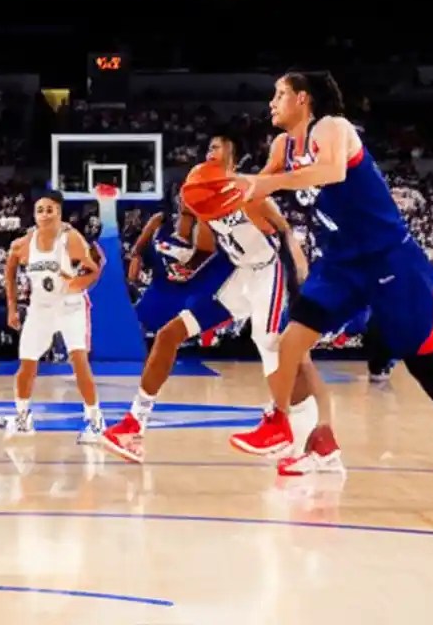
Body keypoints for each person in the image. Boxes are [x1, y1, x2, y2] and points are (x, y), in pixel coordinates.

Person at [235, 71, 433, 494]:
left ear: (303, 98)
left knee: (417, 357)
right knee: (290, 340)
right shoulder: (282, 147)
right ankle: (278, 422)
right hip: (339, 263)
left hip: (389, 258)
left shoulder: (334, 128)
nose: (272, 103)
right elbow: (257, 193)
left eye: (279, 94)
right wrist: (225, 190)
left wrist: (266, 183)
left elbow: (330, 173)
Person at [102, 138, 328, 467]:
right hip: (240, 277)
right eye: (207, 148)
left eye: (218, 147)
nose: (210, 151)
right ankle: (134, 425)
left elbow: (285, 234)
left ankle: (290, 431)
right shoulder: (204, 204)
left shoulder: (251, 191)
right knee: (169, 334)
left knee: (270, 345)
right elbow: (207, 250)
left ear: (233, 158)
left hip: (269, 271)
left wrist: (300, 282)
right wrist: (187, 266)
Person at [0, 192, 104, 442]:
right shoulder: (22, 244)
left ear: (59, 212)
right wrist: (12, 308)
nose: (44, 214)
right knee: (26, 365)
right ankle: (22, 417)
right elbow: (9, 272)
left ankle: (95, 417)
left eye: (49, 209)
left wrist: (78, 282)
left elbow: (94, 269)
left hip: (70, 305)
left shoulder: (71, 239)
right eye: (40, 209)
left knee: (79, 361)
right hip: (40, 308)